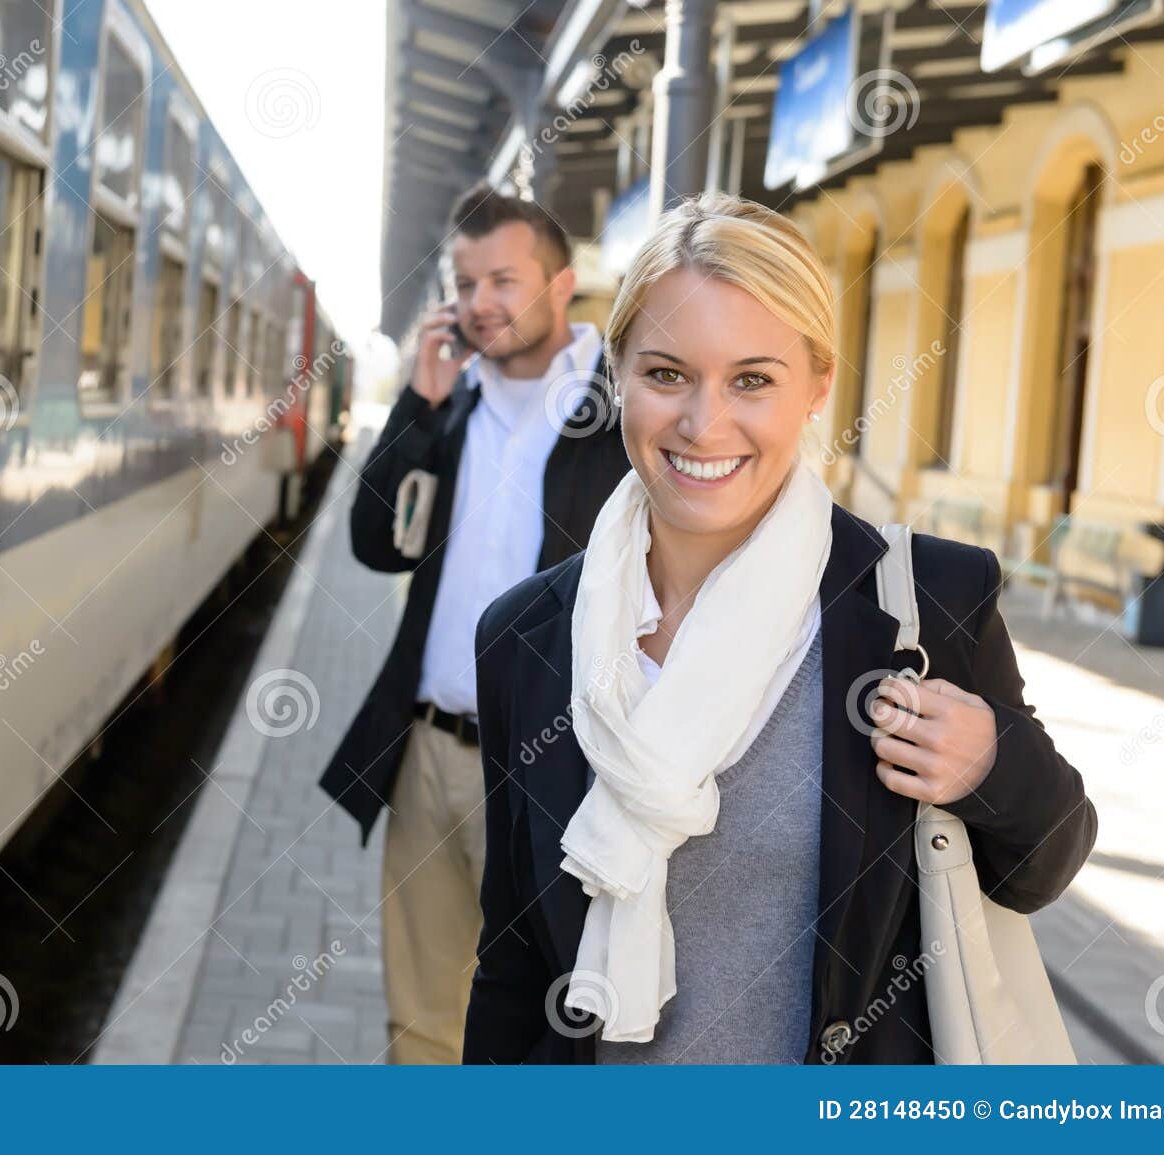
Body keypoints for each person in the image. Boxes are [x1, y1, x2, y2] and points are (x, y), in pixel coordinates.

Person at [462, 192, 1098, 1064]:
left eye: (752, 379)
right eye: (666, 373)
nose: (703, 423)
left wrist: (990, 762)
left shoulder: (925, 602)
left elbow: (1044, 863)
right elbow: (510, 960)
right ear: (616, 373)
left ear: (819, 385)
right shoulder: (525, 635)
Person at [318, 184, 629, 1064]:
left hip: (552, 763)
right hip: (428, 754)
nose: (481, 301)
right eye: (465, 281)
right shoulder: (448, 405)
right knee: (419, 1022)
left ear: (562, 283)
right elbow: (375, 542)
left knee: (537, 1019)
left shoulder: (617, 408)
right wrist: (415, 405)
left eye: (504, 278)